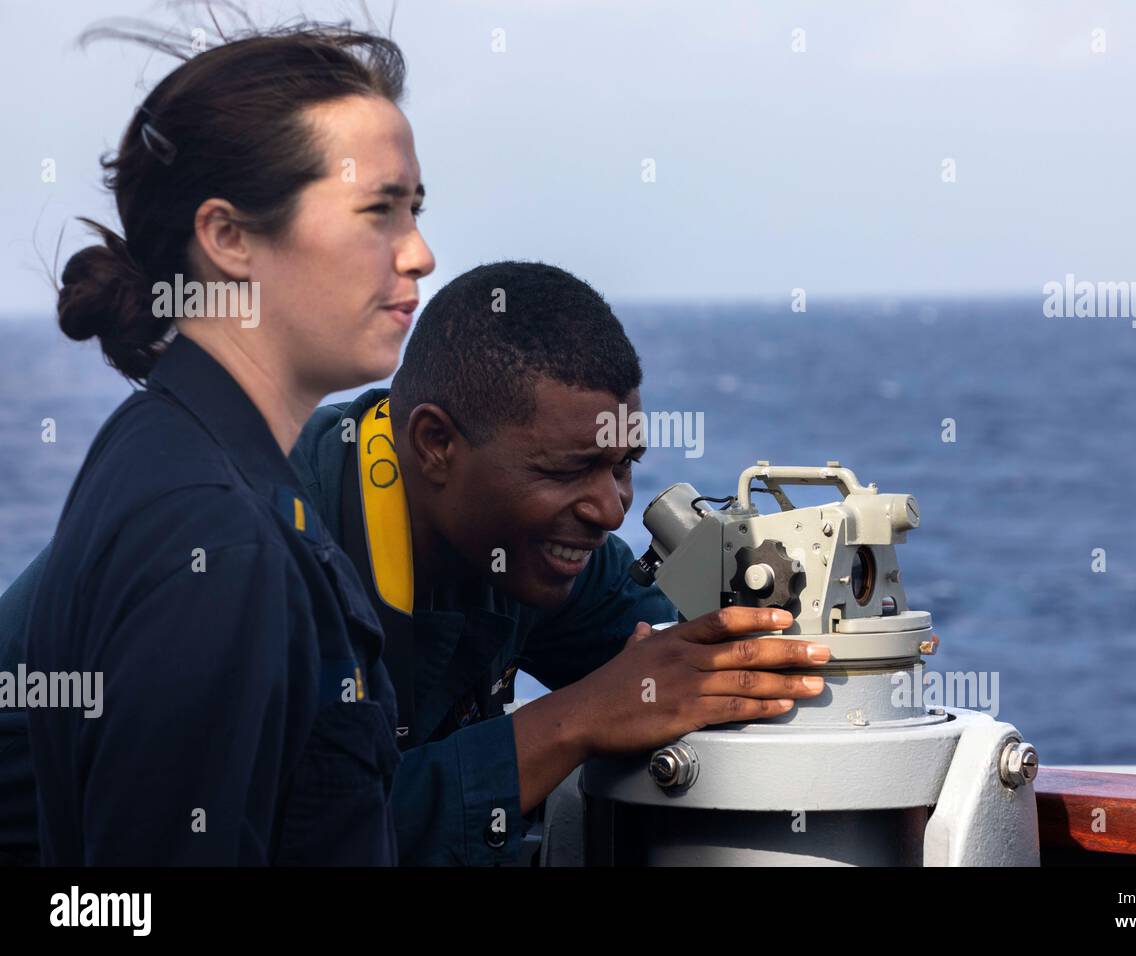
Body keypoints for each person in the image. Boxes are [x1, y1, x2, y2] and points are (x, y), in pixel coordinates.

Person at [0, 261, 829, 865]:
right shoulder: (252, 563)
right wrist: (575, 719)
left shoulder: (521, 541)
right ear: (435, 443)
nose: (610, 507)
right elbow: (301, 841)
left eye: (622, 465)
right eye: (567, 471)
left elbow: (679, 656)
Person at [17, 22, 436, 864]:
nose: (419, 254)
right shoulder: (215, 534)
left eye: (415, 212)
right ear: (229, 239)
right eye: (378, 211)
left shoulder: (164, 450)